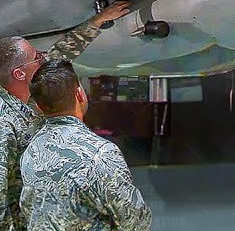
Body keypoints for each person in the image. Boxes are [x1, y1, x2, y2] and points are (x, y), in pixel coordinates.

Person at [0, 1, 131, 231]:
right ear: (19, 74)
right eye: (37, 57)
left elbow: (59, 54)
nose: (44, 57)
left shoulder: (32, 87)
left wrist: (97, 22)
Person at [20, 60, 152, 231]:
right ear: (79, 94)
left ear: (39, 106)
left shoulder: (30, 150)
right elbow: (135, 221)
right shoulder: (100, 154)